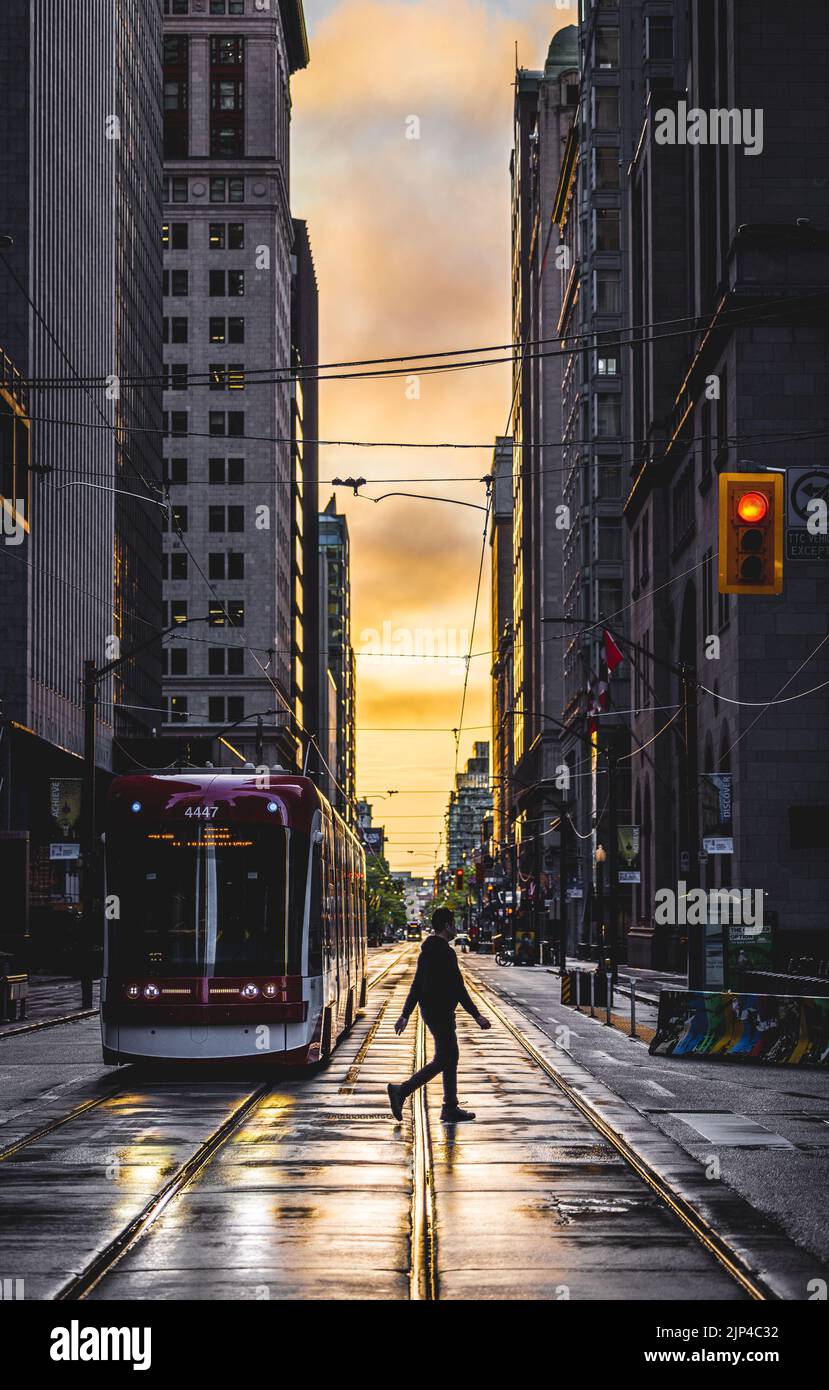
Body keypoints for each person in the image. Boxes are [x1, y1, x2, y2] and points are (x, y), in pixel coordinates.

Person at [387, 906, 491, 1123]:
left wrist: (405, 1015)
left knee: (450, 1057)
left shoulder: (428, 950)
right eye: (453, 924)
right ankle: (402, 1091)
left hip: (432, 1012)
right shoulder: (445, 952)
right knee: (444, 1058)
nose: (456, 928)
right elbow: (458, 988)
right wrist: (477, 1016)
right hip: (440, 1012)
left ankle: (450, 1106)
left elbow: (416, 985)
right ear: (446, 926)